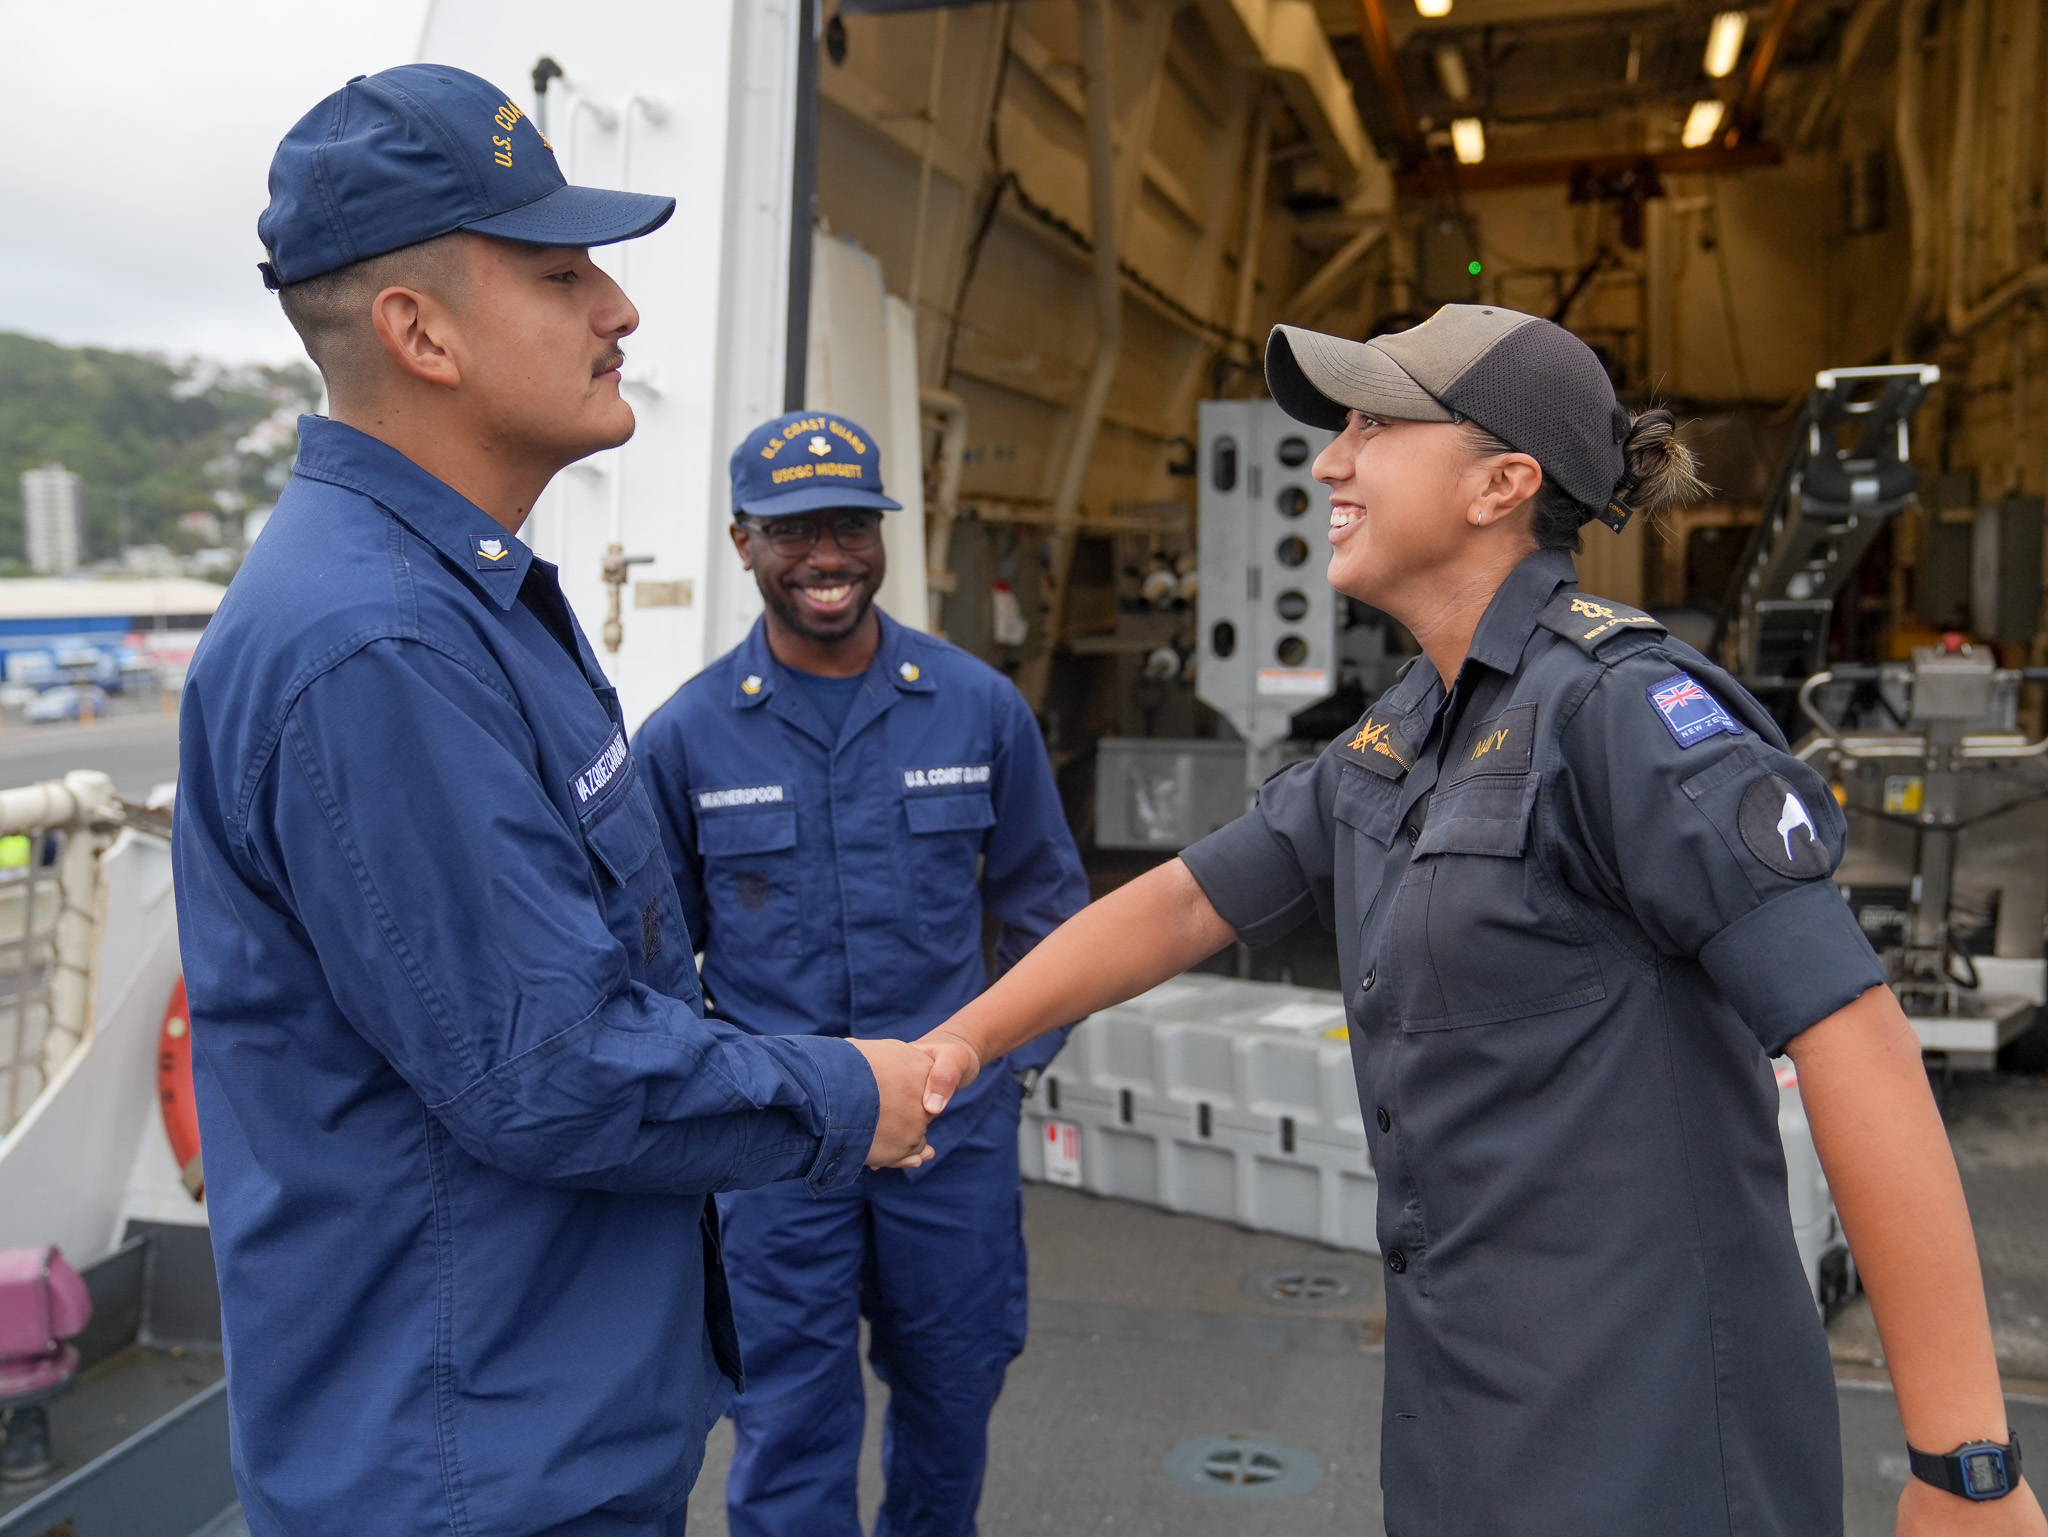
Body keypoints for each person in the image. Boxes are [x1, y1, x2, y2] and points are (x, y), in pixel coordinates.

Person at [911, 307, 2047, 1537]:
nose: (1329, 461)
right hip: (1462, 1427)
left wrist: (1961, 1467)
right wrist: (956, 1047)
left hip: (1650, 1446)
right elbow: (1190, 897)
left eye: (1372, 426)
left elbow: (1854, 1040)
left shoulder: (1624, 713)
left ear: (1501, 483)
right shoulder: (1408, 725)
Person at [173, 66, 937, 1537]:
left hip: (532, 1422)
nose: (621, 309)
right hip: (467, 1471)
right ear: (419, 331)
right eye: (561, 270)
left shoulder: (463, 598)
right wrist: (852, 1091)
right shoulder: (375, 644)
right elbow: (552, 1064)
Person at [632, 411, 1088, 1537]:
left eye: (849, 525)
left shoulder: (976, 707)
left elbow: (1047, 914)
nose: (826, 556)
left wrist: (1003, 1071)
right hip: (778, 1149)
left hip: (950, 1137)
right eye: (794, 531)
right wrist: (718, 1099)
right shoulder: (686, 737)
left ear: (883, 536)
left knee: (954, 1391)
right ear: (742, 542)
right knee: (786, 1417)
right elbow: (646, 965)